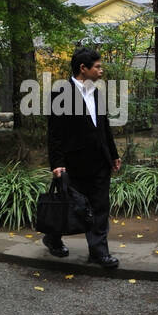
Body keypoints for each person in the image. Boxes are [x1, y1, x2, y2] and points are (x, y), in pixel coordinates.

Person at [45, 44, 121, 268]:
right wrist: (57, 163)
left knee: (100, 206)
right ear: (83, 68)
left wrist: (114, 155)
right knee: (69, 207)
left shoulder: (96, 92)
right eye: (97, 67)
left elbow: (103, 127)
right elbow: (54, 133)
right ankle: (52, 237)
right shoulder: (61, 93)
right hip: (73, 163)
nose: (101, 70)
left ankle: (99, 252)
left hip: (99, 162)